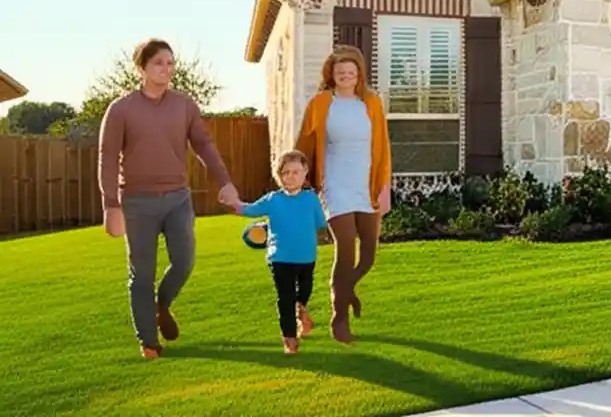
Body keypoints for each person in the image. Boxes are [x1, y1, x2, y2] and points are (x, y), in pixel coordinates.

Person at [98, 38, 240, 360]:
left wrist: (226, 182)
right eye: (159, 63)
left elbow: (204, 145)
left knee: (185, 262)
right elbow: (106, 159)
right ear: (142, 68)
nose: (167, 69)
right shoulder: (121, 109)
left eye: (171, 63)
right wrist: (111, 205)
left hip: (177, 198)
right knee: (142, 274)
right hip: (136, 202)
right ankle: (149, 342)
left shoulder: (184, 105)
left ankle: (162, 305)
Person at [295, 45, 391, 344]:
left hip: (366, 183)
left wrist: (383, 186)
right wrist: (298, 181)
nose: (346, 76)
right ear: (332, 75)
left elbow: (383, 147)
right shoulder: (321, 103)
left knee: (369, 257)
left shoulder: (372, 103)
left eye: (351, 72)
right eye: (340, 72)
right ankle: (340, 317)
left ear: (359, 74)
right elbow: (304, 144)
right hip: (334, 182)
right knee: (346, 248)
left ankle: (344, 291)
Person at [234, 150, 327, 354]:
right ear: (279, 176)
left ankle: (301, 308)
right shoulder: (273, 199)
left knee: (304, 291)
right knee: (285, 298)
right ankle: (290, 339)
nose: (290, 177)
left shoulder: (311, 199)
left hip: (306, 257)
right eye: (285, 173)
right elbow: (249, 210)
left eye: (295, 172)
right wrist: (234, 202)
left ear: (305, 173)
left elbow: (321, 223)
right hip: (280, 258)